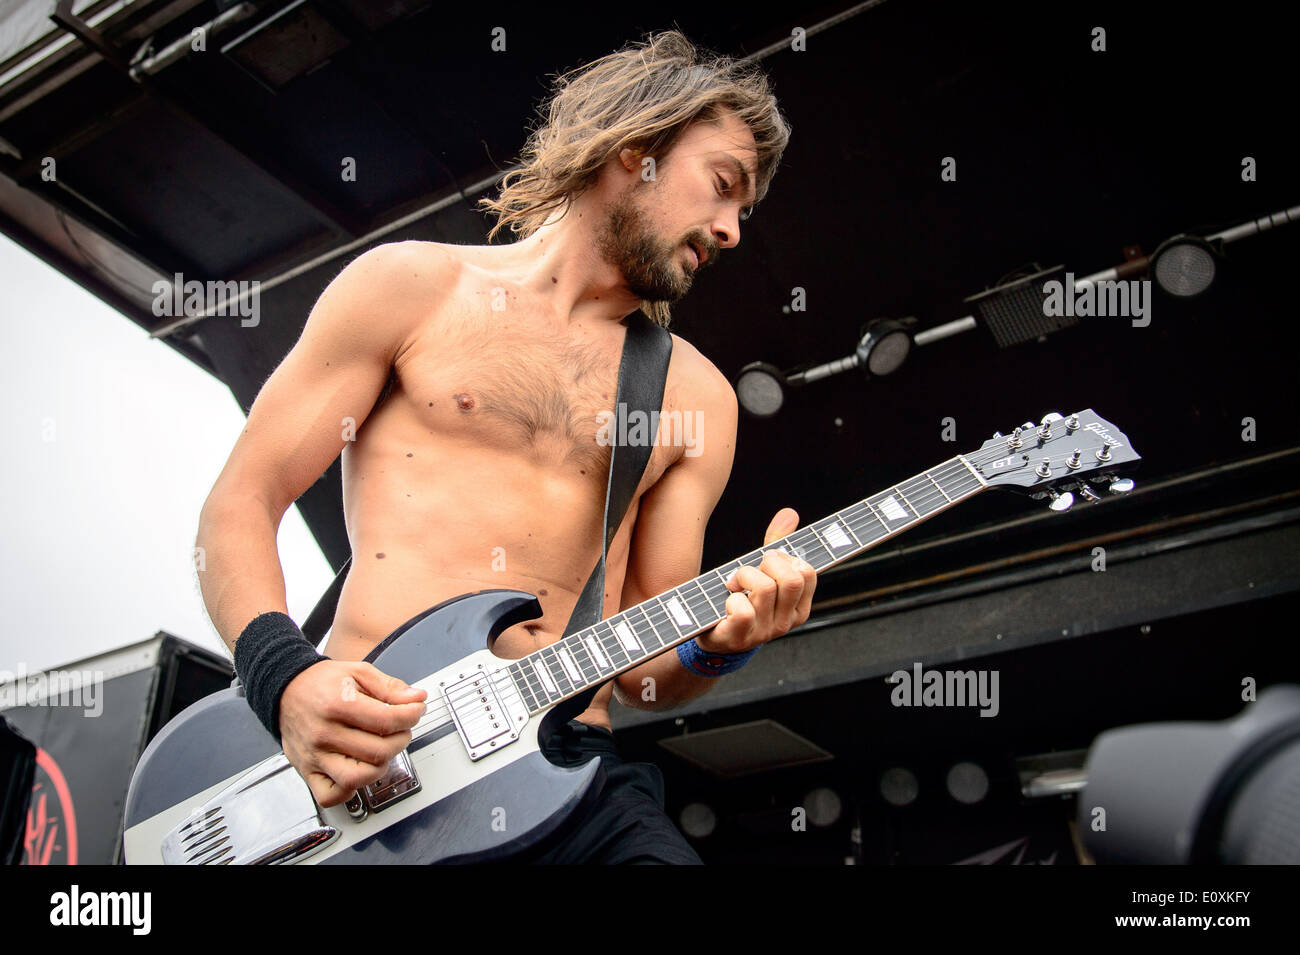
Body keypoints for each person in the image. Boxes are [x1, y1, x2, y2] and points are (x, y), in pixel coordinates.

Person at [195, 30, 815, 864]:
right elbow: (238, 504)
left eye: (744, 210)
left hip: (570, 777)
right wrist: (284, 681)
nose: (732, 229)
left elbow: (648, 672)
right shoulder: (409, 288)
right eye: (723, 187)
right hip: (369, 766)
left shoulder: (694, 398)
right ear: (637, 151)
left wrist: (718, 644)